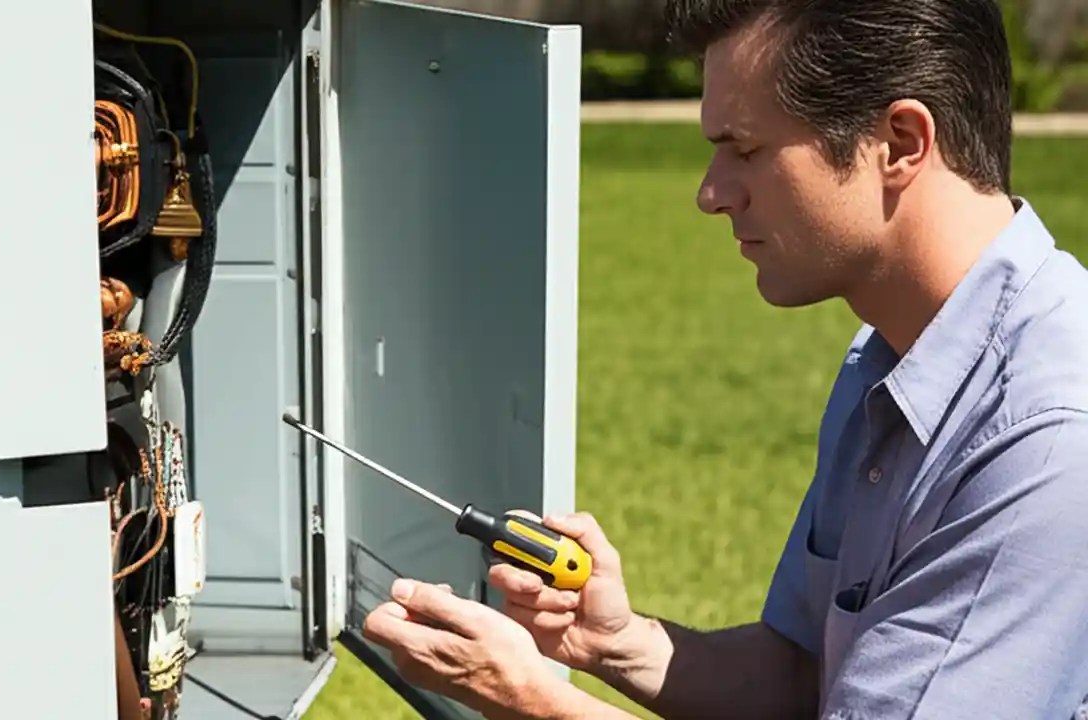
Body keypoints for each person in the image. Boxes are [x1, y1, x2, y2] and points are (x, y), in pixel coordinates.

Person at [361, 0, 1088, 717]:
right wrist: (618, 644)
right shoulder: (889, 360)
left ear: (899, 143)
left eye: (745, 150)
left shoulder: (1048, 436)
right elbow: (808, 673)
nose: (711, 194)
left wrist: (531, 702)